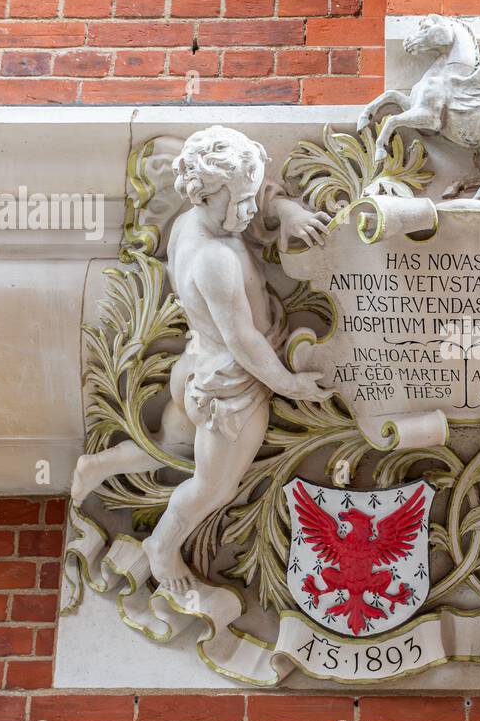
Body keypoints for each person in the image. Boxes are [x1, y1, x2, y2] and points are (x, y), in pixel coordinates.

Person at [71, 126, 333, 593]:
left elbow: (250, 203)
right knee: (215, 486)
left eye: (253, 197)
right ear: (209, 195)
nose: (252, 210)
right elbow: (244, 339)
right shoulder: (214, 260)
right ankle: (162, 547)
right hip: (231, 388)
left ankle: (100, 465)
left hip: (193, 367)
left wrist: (285, 209)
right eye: (242, 201)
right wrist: (289, 385)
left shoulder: (192, 222)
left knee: (173, 451)